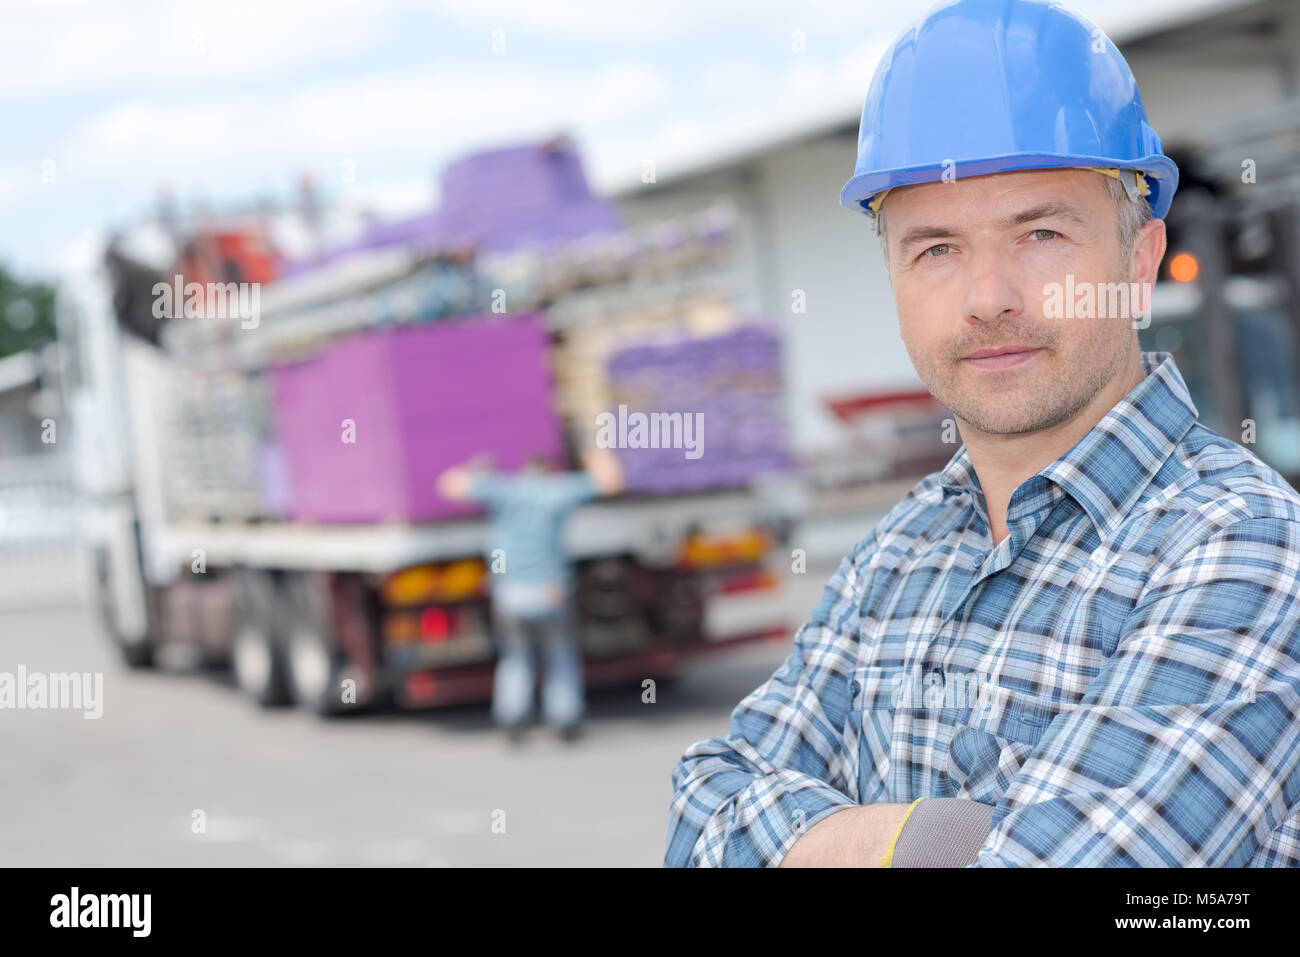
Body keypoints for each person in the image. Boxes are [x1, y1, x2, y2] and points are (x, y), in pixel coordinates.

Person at [666, 0, 1300, 867]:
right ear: (894, 281)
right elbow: (703, 816)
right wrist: (940, 838)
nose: (987, 296)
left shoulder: (1246, 545)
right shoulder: (895, 554)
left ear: (1140, 264)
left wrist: (826, 839)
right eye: (936, 249)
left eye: (1039, 233)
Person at [437, 445, 623, 742]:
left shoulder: (504, 490)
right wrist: (592, 448)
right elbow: (611, 482)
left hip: (510, 592)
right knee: (559, 654)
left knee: (515, 657)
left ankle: (513, 719)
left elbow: (449, 484)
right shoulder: (558, 491)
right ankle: (564, 719)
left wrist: (478, 468)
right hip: (551, 592)